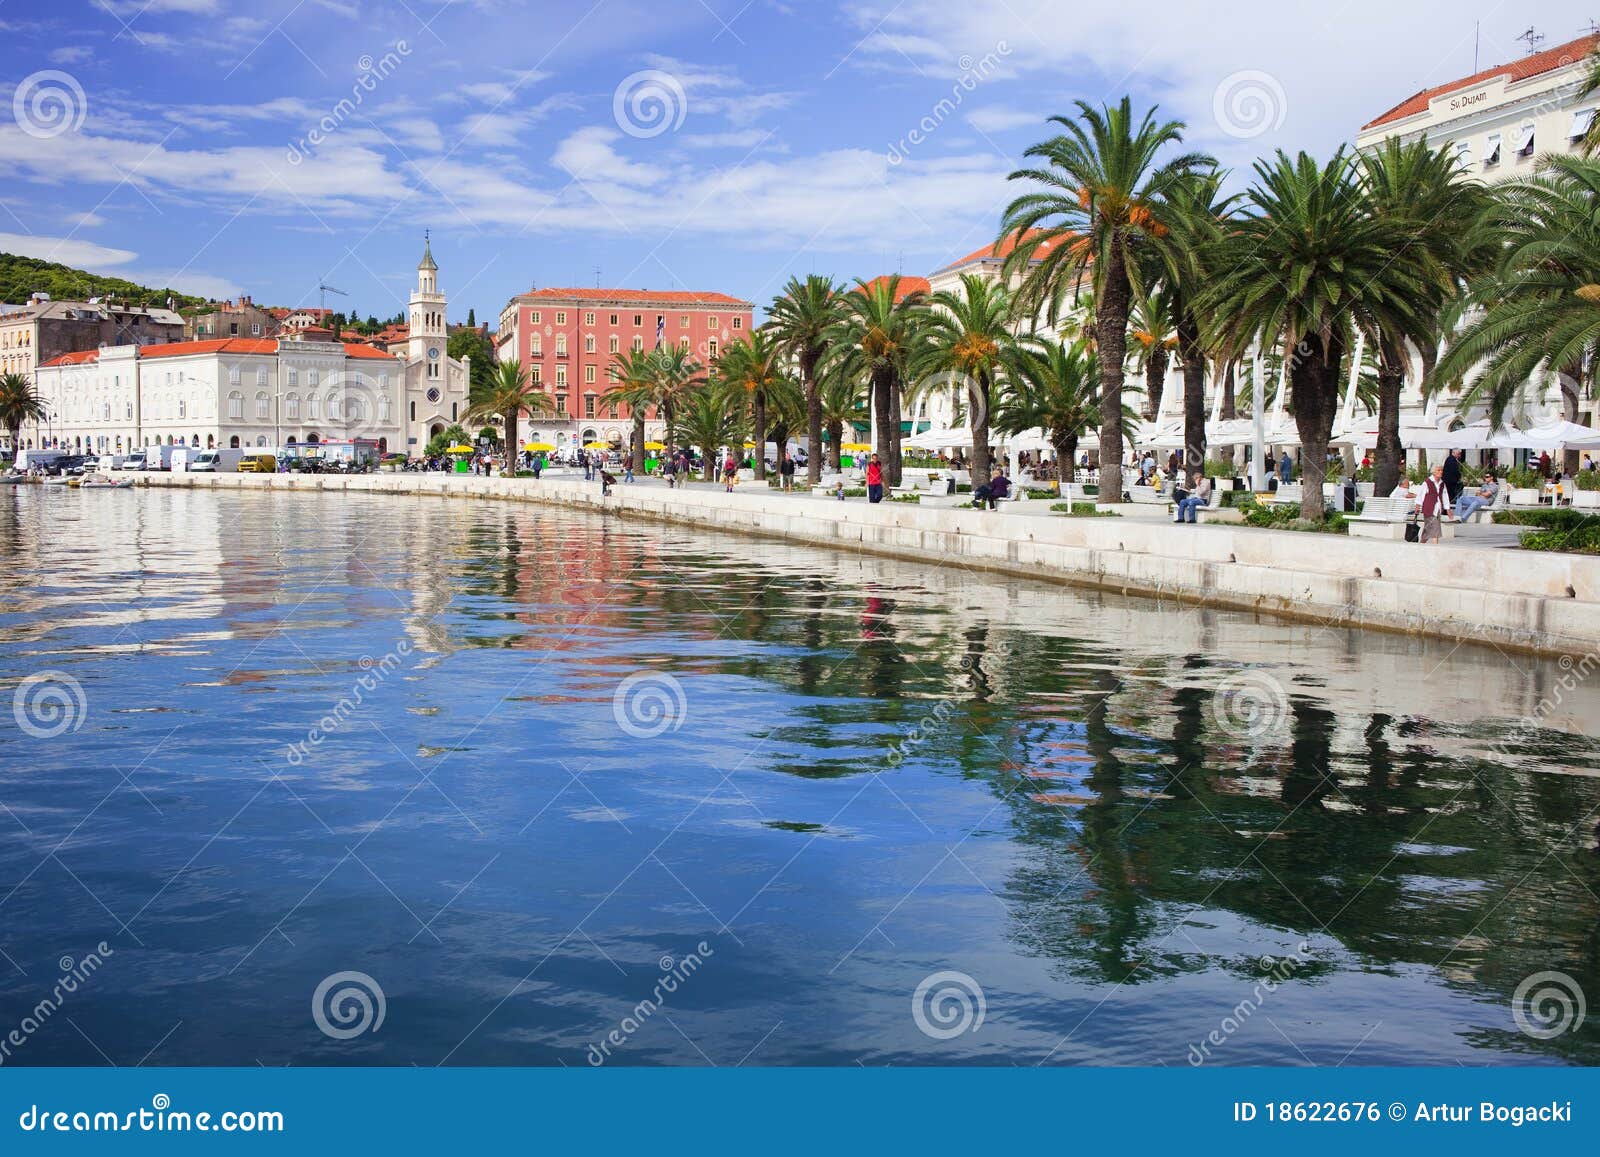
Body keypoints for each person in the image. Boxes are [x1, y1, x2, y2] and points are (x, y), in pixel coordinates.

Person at [1419, 464, 1450, 544]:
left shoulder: (1442, 483)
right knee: (1435, 529)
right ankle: (1435, 549)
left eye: (1441, 470)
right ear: (1433, 472)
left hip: (1438, 509)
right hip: (1429, 509)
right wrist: (1417, 505)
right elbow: (1421, 495)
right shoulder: (1427, 482)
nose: (1441, 472)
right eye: (1439, 470)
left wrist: (1448, 509)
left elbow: (1445, 495)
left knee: (1428, 530)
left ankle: (1420, 545)